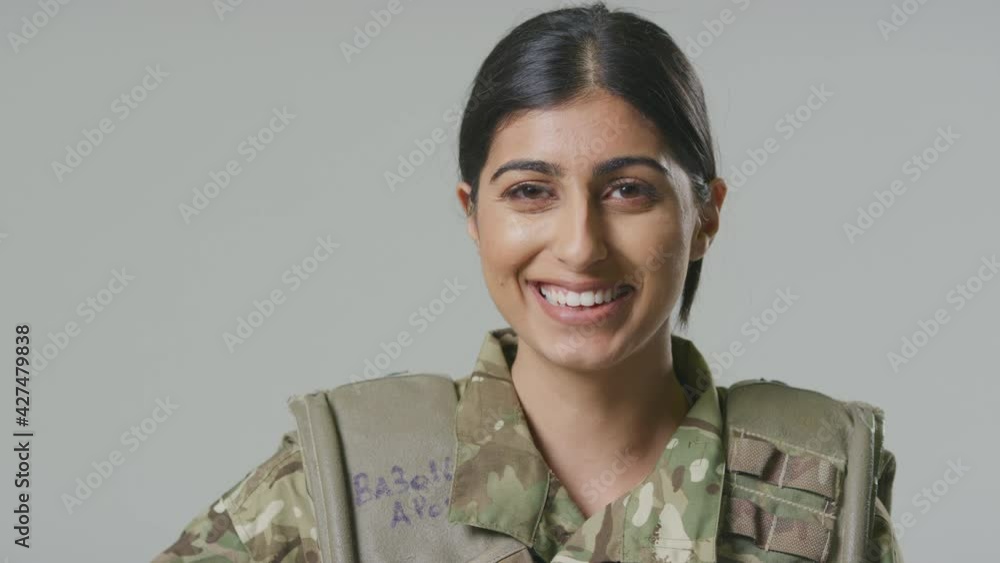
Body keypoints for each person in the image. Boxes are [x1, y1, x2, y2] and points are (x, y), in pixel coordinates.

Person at [152, 3, 902, 562]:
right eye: (530, 192)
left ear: (705, 214)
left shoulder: (816, 483)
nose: (579, 246)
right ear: (472, 214)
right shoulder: (351, 477)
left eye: (629, 190)